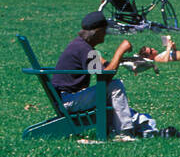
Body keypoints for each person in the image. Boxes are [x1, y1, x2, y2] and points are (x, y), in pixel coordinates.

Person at [51, 12, 147, 140]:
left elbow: (102, 67)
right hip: (68, 101)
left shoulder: (81, 45)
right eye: (104, 31)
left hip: (67, 98)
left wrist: (119, 60)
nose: (106, 34)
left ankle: (124, 128)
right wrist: (119, 52)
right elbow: (105, 78)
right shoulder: (85, 49)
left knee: (111, 88)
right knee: (115, 86)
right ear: (97, 32)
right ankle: (124, 133)